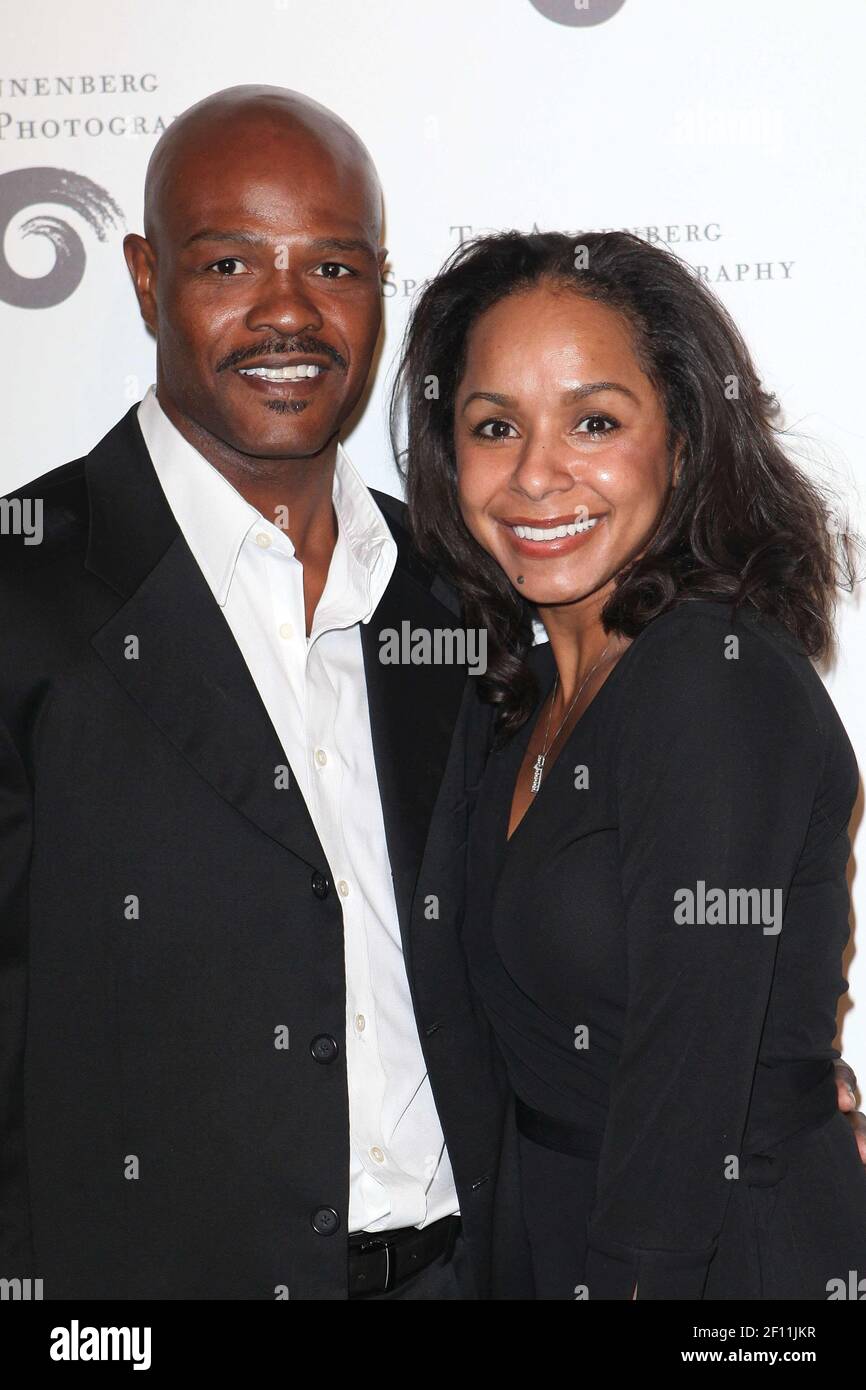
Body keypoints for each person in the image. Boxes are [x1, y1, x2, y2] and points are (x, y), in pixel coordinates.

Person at [0, 85, 531, 1301]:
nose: (287, 310)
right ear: (145, 279)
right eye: (230, 260)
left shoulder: (455, 589)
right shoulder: (25, 585)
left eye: (333, 266)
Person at [398, 228, 866, 1298]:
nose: (534, 474)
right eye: (492, 426)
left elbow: (683, 1091)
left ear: (686, 443)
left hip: (714, 1269)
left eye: (594, 421)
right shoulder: (515, 696)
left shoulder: (708, 674)